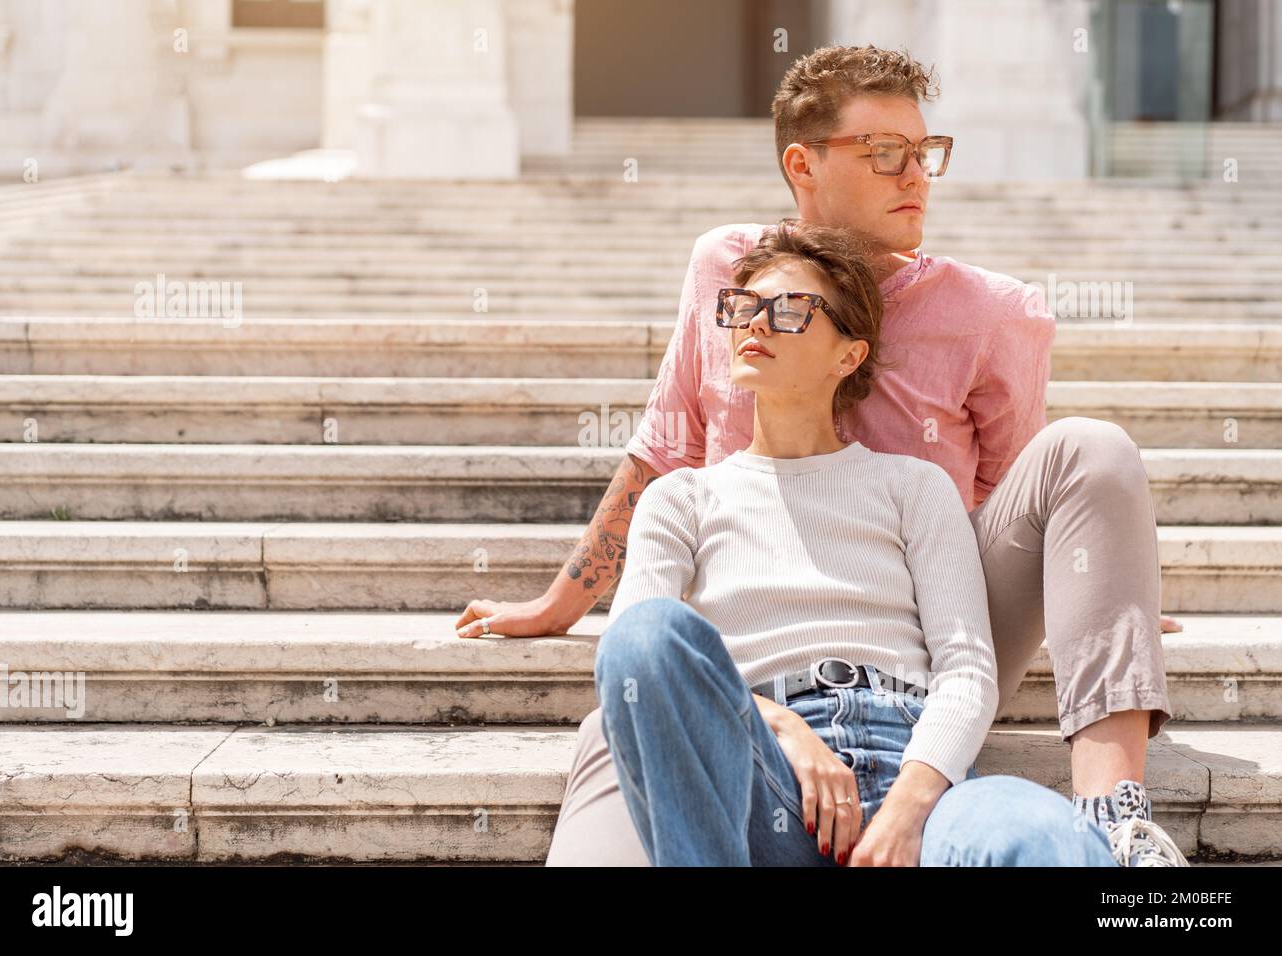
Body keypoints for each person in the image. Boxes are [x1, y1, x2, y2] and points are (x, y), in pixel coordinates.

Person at [459, 44, 1186, 867]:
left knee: (1091, 448)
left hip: (930, 610)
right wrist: (559, 605)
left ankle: (1116, 817)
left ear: (852, 352)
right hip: (750, 670)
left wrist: (1097, 586)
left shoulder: (990, 311)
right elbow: (665, 450)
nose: (915, 175)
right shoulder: (730, 276)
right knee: (638, 675)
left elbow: (1015, 487)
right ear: (802, 165)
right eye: (885, 154)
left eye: (924, 153)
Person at [582, 219, 1120, 865]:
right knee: (647, 632)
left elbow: (967, 668)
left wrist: (908, 808)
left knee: (1037, 828)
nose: (755, 323)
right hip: (763, 770)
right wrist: (784, 732)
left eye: (790, 310)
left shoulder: (913, 486)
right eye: (743, 307)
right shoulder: (682, 498)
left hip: (913, 761)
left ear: (849, 355)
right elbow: (633, 660)